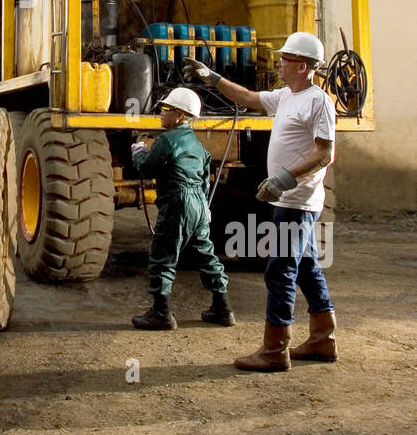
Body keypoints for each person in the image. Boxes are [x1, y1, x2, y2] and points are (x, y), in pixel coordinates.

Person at [184, 31, 336, 372]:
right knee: (307, 267)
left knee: (280, 270)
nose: (279, 63)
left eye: (285, 59)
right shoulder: (286, 97)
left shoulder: (318, 101)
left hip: (297, 200)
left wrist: (284, 179)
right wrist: (213, 77)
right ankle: (323, 339)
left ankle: (274, 350)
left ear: (301, 66)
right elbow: (250, 97)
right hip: (291, 199)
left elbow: (325, 153)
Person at [131, 87, 234, 330]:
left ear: (179, 115)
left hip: (178, 202)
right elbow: (204, 177)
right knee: (206, 254)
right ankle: (223, 309)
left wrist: (138, 152)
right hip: (198, 202)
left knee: (163, 256)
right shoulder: (197, 145)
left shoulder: (167, 140)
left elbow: (147, 168)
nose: (160, 113)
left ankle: (161, 313)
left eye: (165, 109)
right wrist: (205, 208)